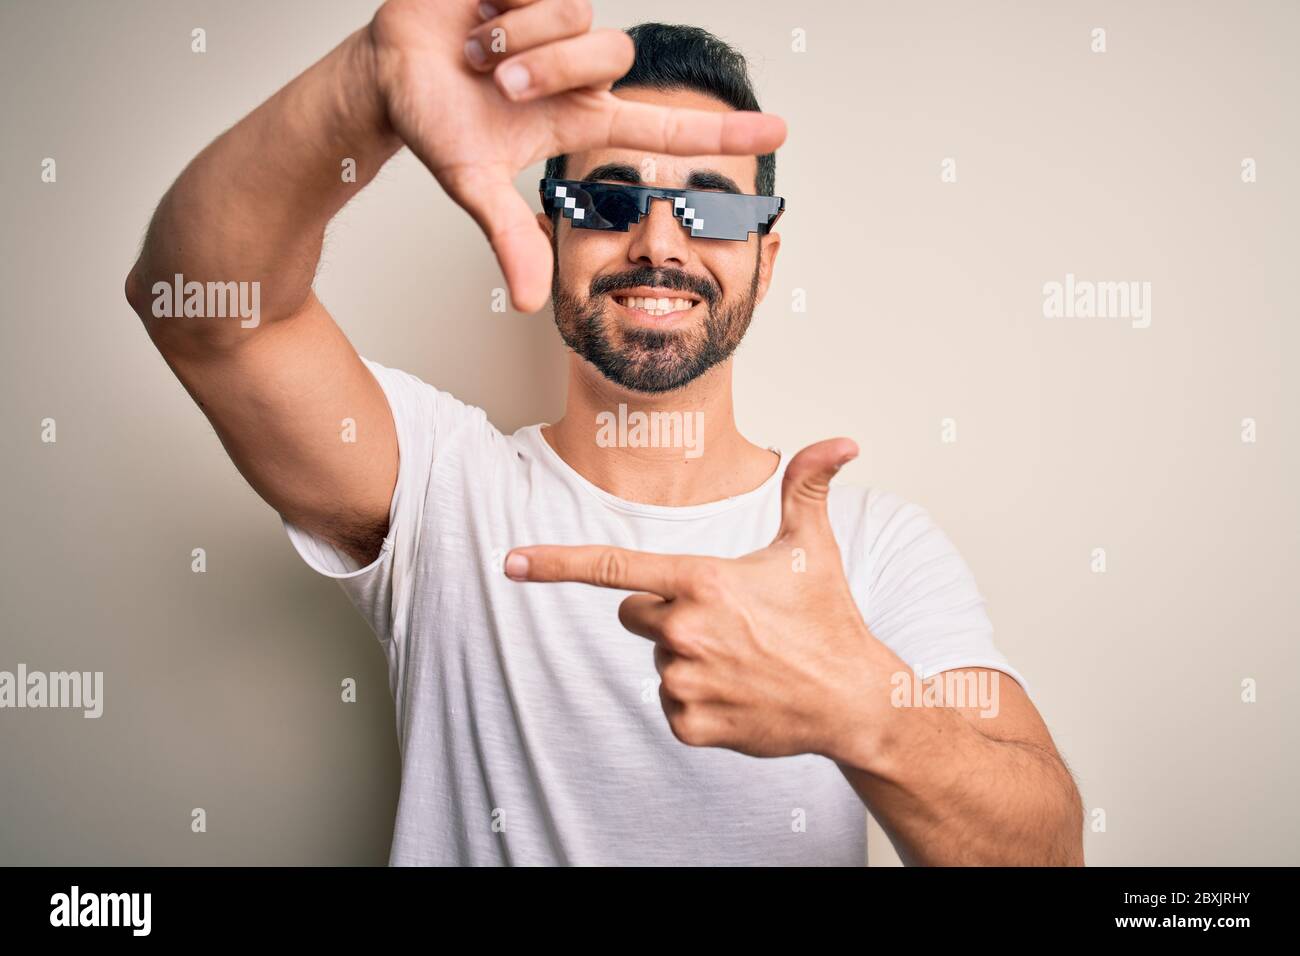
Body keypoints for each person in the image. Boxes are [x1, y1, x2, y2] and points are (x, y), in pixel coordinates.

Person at [125, 0, 1084, 866]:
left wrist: (858, 707)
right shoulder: (437, 486)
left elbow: (1049, 857)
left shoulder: (871, 551)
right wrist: (364, 84)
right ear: (551, 231)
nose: (659, 243)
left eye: (710, 205)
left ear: (765, 255)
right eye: (611, 200)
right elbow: (205, 312)